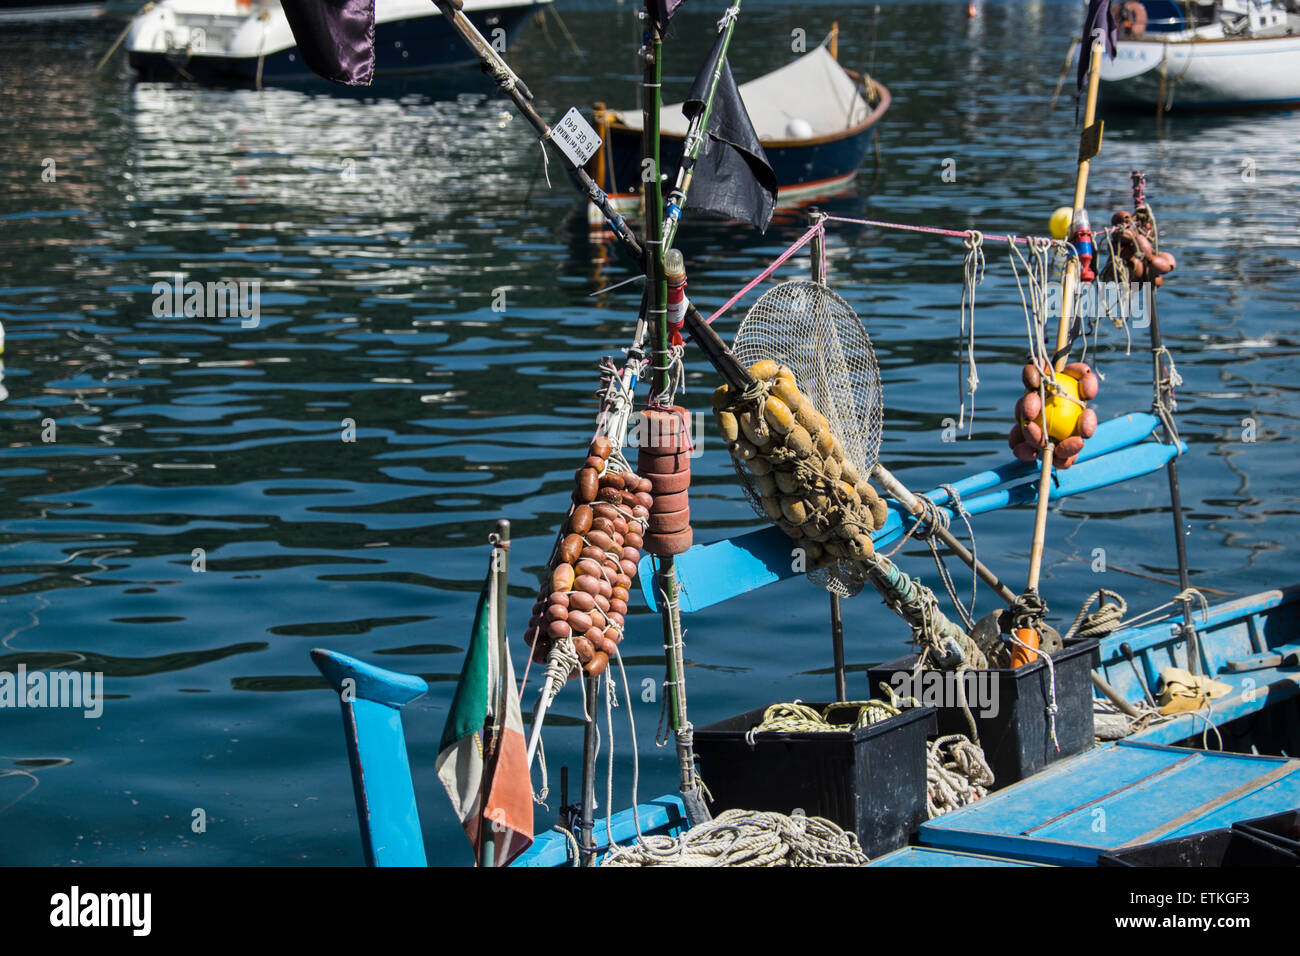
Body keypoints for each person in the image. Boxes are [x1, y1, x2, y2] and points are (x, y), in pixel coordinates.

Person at [1101, 208, 1176, 283]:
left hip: (1140, 267)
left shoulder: (1138, 239)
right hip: (1131, 266)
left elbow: (1168, 266)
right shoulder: (1131, 239)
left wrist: (1149, 257)